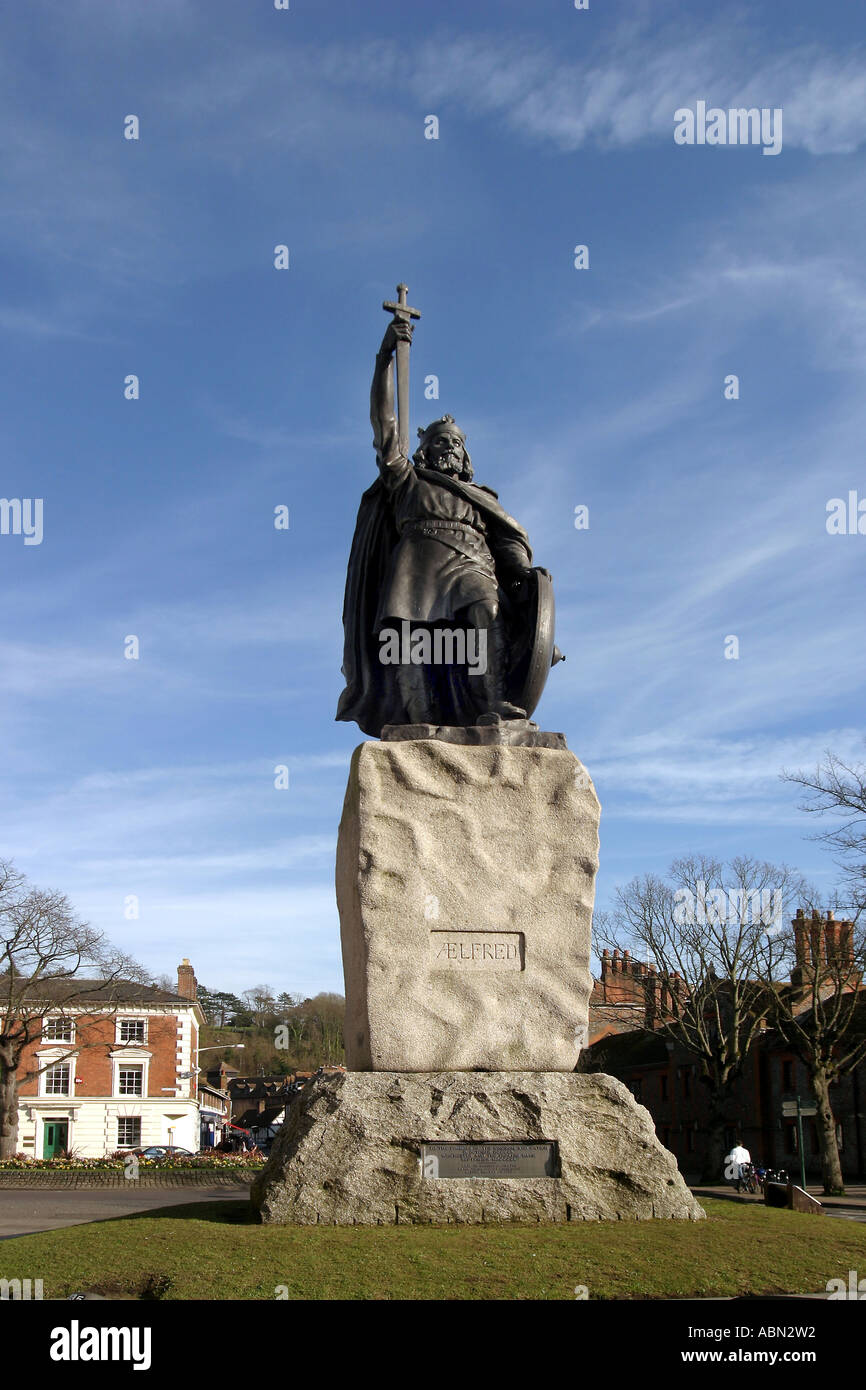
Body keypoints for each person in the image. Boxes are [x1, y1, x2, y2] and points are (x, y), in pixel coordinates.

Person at [337, 317, 547, 734]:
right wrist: (385, 358)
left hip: (472, 565)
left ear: (464, 457)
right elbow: (385, 427)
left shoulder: (482, 498)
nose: (448, 446)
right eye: (439, 441)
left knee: (486, 611)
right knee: (408, 642)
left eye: (455, 442)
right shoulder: (407, 480)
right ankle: (419, 723)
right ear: (425, 452)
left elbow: (506, 545)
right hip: (415, 567)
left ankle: (495, 707)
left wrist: (526, 581)